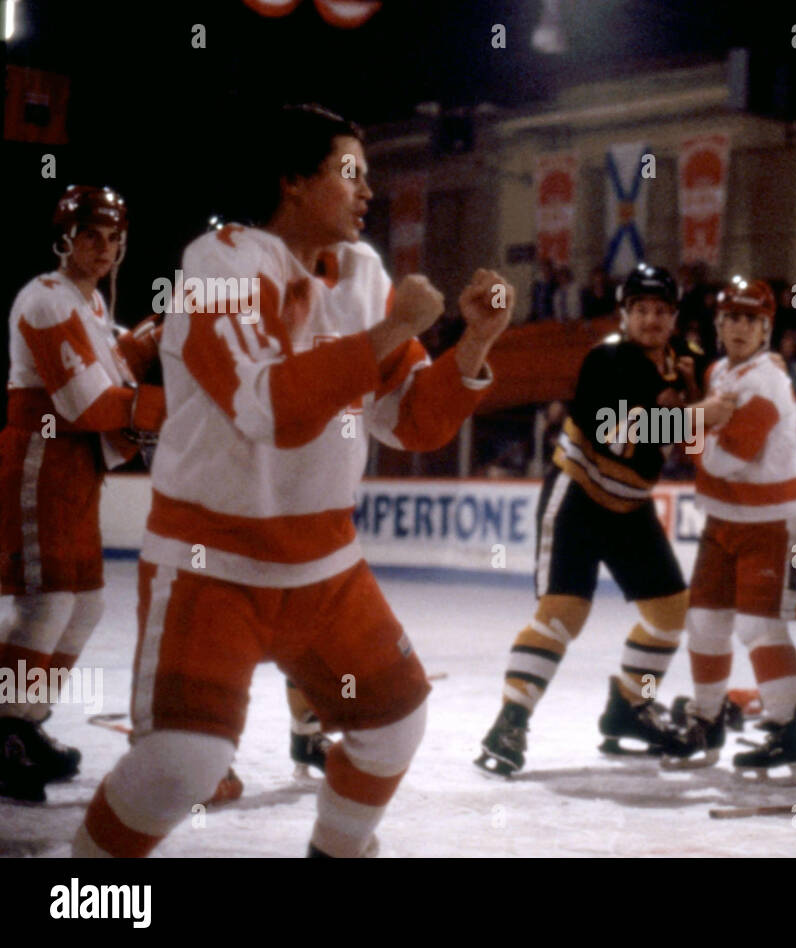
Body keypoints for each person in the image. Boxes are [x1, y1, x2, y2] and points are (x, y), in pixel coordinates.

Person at [72, 104, 514, 857]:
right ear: (292, 181)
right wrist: (386, 334)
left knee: (395, 723)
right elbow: (264, 406)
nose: (368, 191)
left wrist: (474, 344)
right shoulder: (217, 265)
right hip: (212, 562)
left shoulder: (365, 275)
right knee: (187, 761)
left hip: (325, 567)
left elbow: (410, 423)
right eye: (350, 173)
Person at [474, 262, 735, 778]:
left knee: (668, 612)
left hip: (630, 504)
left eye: (661, 311)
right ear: (625, 314)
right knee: (563, 613)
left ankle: (628, 709)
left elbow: (697, 430)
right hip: (579, 497)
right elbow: (621, 430)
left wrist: (705, 403)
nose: (651, 320)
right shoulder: (607, 359)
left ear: (675, 316)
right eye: (641, 310)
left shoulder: (689, 360)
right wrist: (700, 412)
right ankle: (509, 722)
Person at [0, 185, 165, 803]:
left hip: (75, 464)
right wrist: (174, 408)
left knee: (85, 603)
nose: (102, 249)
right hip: (43, 457)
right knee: (47, 603)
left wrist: (151, 340)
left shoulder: (88, 304)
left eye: (112, 237)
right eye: (90, 234)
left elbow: (109, 369)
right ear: (66, 236)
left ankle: (24, 723)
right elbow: (88, 400)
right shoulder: (45, 300)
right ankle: (6, 729)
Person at [662, 276, 796, 785]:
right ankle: (707, 722)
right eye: (733, 318)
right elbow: (702, 447)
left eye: (752, 319)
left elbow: (728, 460)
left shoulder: (765, 380)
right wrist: (697, 417)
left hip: (776, 523)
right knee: (704, 622)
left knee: (759, 626)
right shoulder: (720, 372)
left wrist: (689, 425)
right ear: (719, 324)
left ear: (767, 328)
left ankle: (787, 729)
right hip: (725, 520)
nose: (741, 327)